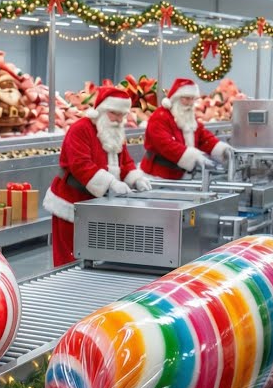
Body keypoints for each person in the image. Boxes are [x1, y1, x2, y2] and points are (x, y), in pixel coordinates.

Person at [43, 86, 154, 267]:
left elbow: (125, 161)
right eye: (114, 113)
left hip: (99, 204)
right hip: (72, 204)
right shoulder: (80, 129)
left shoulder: (116, 132)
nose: (118, 119)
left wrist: (135, 178)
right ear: (100, 110)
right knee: (71, 258)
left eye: (122, 115)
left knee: (97, 256)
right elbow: (80, 165)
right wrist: (110, 183)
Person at [140, 77, 232, 180]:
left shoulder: (187, 116)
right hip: (157, 176)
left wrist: (222, 150)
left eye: (192, 99)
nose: (190, 103)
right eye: (187, 99)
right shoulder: (160, 117)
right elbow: (165, 145)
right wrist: (194, 157)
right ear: (175, 99)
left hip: (179, 175)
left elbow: (203, 137)